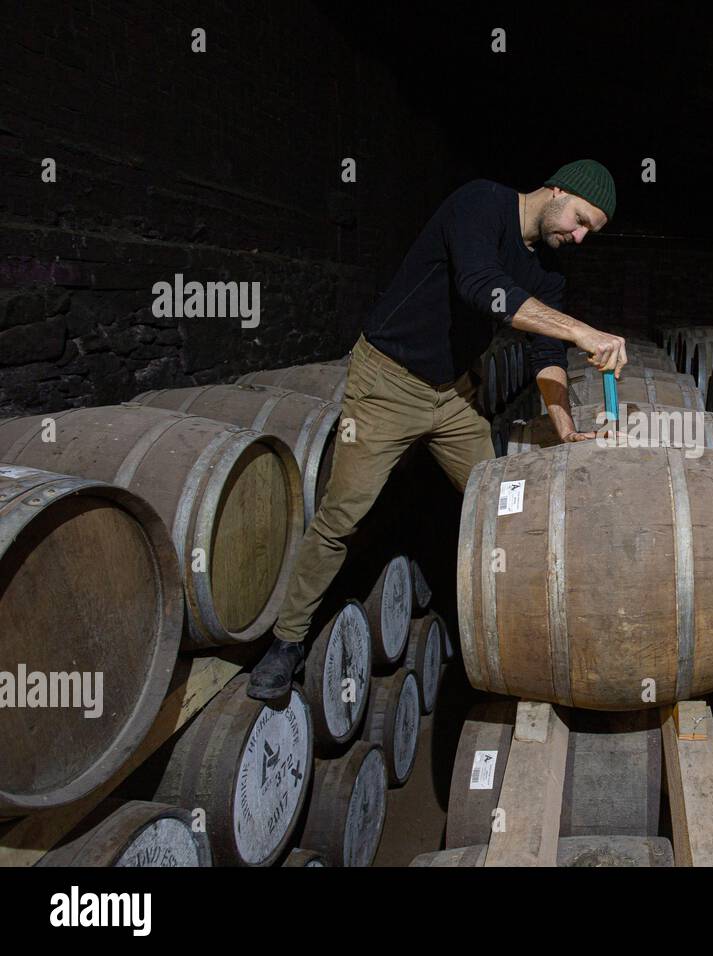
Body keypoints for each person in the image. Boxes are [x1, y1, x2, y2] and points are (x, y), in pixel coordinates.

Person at [248, 159, 627, 699]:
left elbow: (546, 354)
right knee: (343, 515)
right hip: (388, 382)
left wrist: (564, 427)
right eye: (581, 219)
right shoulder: (480, 202)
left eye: (590, 230)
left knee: (499, 505)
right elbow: (482, 287)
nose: (580, 235)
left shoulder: (548, 271)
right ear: (557, 191)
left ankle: (505, 632)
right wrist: (583, 330)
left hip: (454, 395)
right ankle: (286, 641)